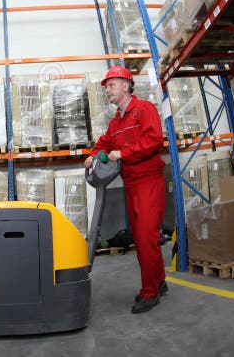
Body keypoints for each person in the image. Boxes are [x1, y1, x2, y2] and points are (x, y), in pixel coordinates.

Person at [84, 65, 167, 314]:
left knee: (144, 237)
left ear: (126, 85)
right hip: (131, 183)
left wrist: (124, 153)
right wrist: (92, 156)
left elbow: (153, 140)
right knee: (145, 238)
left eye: (111, 85)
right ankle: (159, 281)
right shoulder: (117, 121)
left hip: (148, 180)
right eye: (106, 86)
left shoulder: (144, 109)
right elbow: (105, 143)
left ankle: (150, 293)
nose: (107, 90)